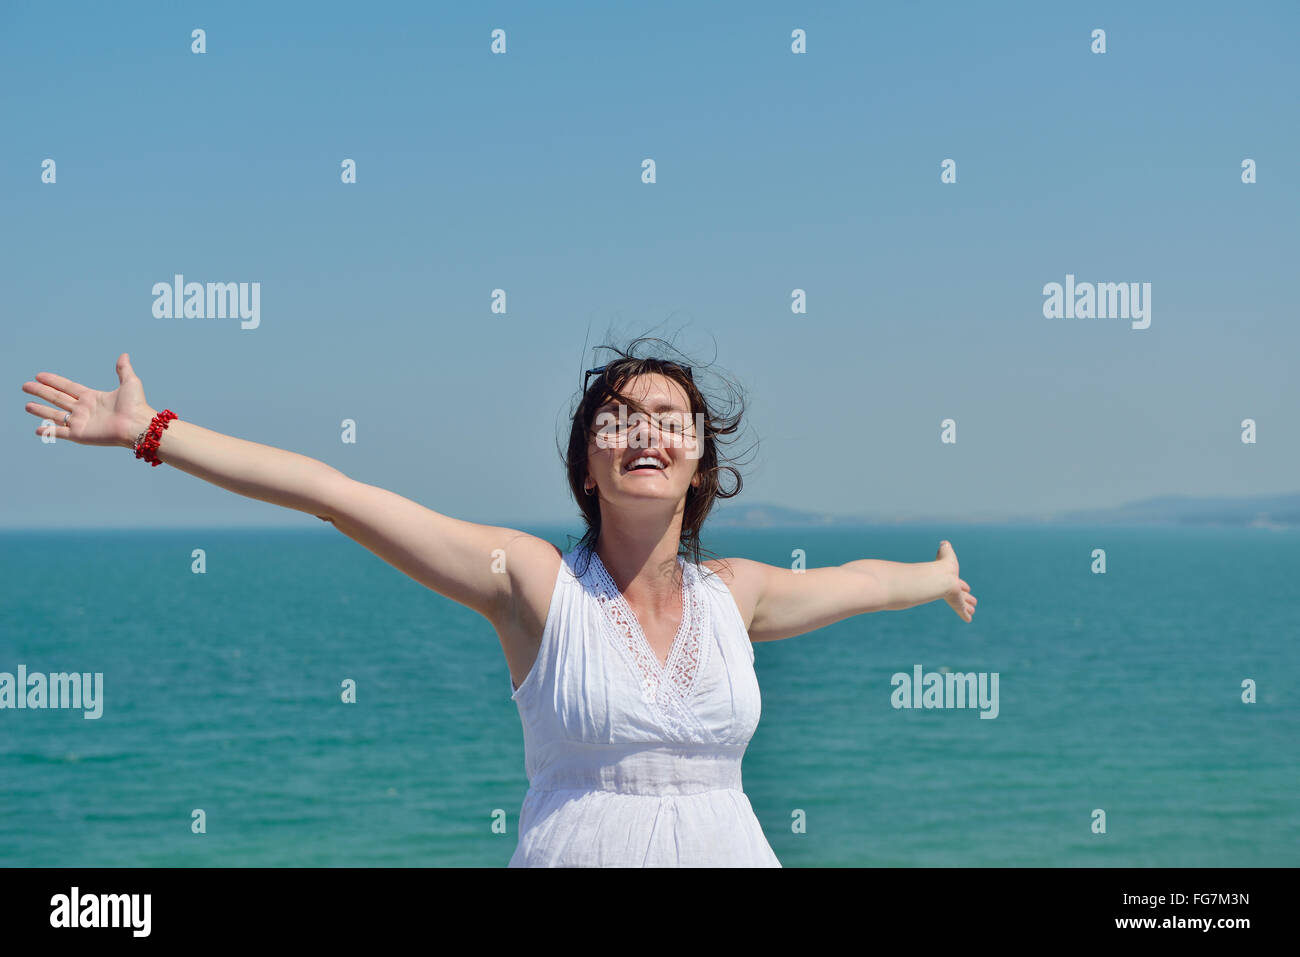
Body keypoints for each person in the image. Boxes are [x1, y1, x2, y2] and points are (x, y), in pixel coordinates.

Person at [21, 339, 976, 867]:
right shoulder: (531, 583)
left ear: (698, 466)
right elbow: (332, 490)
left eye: (668, 419)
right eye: (620, 417)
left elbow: (861, 583)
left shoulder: (737, 594)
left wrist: (935, 576)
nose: (644, 429)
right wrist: (152, 430)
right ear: (589, 468)